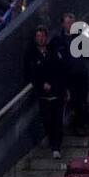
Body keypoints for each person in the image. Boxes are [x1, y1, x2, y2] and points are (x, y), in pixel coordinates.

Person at [26, 25, 66, 158]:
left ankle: (56, 146)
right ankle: (52, 142)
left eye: (43, 36)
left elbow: (61, 71)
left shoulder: (54, 51)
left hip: (58, 92)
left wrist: (59, 86)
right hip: (42, 95)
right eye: (38, 36)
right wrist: (41, 84)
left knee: (58, 121)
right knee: (47, 120)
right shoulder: (31, 54)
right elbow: (29, 74)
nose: (41, 39)